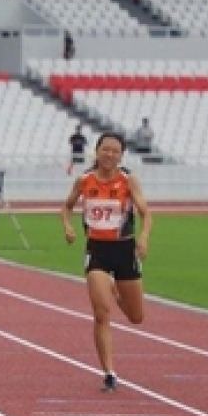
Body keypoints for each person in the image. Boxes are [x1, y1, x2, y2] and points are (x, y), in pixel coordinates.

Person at [60, 133, 152, 393]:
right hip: (97, 251)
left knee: (136, 317)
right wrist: (68, 227)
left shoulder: (128, 180)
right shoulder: (84, 180)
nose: (109, 155)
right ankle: (109, 373)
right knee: (102, 314)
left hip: (124, 251)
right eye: (105, 150)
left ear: (121, 155)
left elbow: (146, 213)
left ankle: (115, 288)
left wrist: (143, 239)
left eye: (115, 151)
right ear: (97, 151)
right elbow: (66, 207)